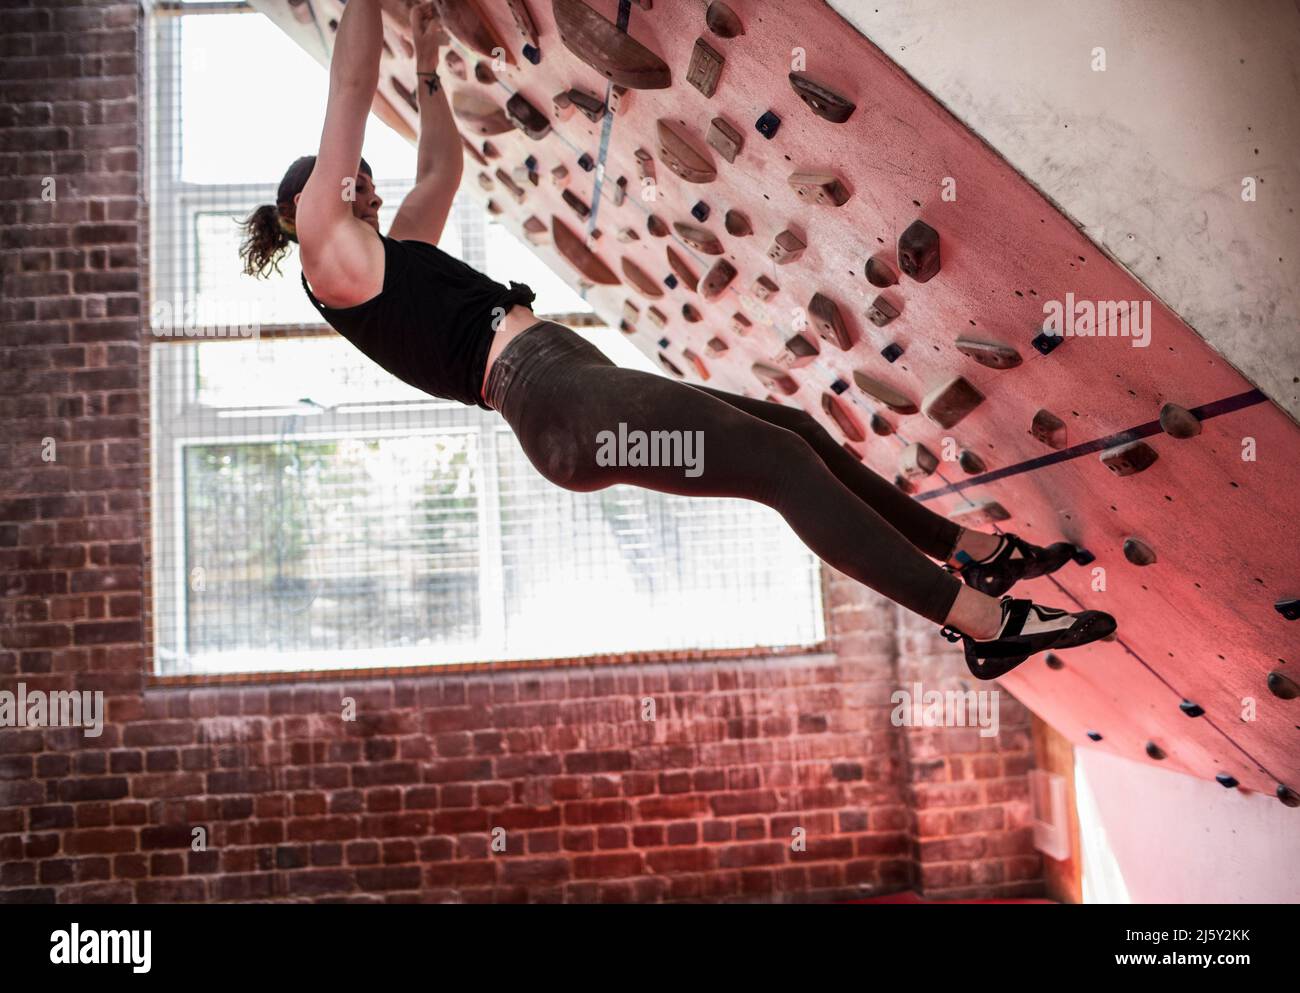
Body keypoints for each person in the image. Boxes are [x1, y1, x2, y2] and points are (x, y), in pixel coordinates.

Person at [237, 0, 1115, 679]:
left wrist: (427, 63)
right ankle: (983, 624)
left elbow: (439, 168)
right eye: (347, 182)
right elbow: (349, 88)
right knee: (780, 471)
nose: (367, 183)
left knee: (794, 434)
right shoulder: (331, 257)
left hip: (570, 391)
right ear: (308, 211)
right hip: (559, 405)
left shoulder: (392, 261)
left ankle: (975, 554)